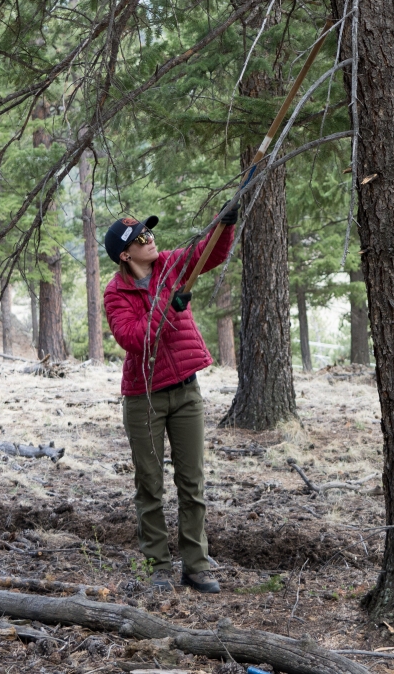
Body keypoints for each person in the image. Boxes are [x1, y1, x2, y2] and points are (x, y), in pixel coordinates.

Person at [103, 208, 237, 593]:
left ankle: (196, 566)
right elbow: (133, 338)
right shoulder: (116, 293)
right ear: (125, 255)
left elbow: (208, 252)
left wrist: (223, 223)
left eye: (148, 233)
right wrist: (167, 305)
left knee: (192, 482)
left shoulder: (171, 265)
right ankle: (158, 566)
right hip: (143, 398)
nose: (150, 240)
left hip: (185, 391)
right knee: (150, 485)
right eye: (141, 239)